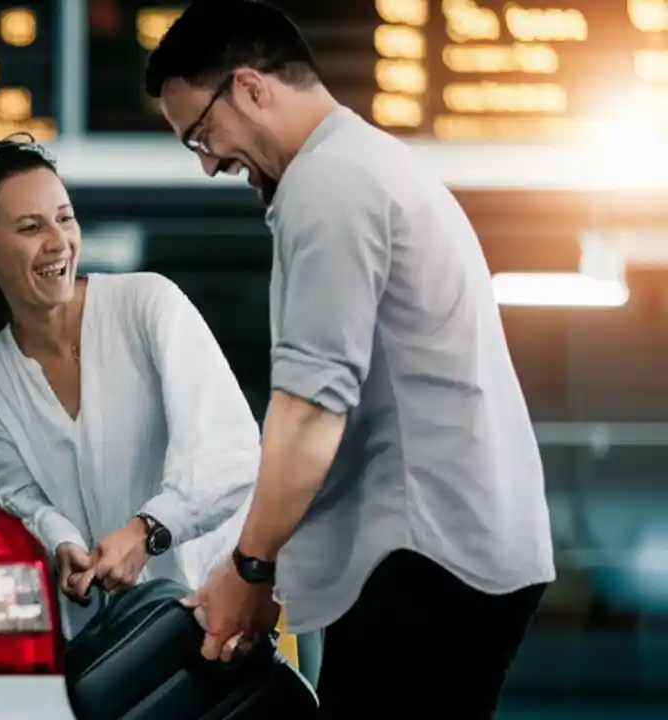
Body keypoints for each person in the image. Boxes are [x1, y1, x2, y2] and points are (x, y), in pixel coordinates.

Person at [144, 1, 555, 716]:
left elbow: (310, 411)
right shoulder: (367, 165)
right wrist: (259, 566)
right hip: (454, 552)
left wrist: (251, 567)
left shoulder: (328, 187)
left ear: (250, 87)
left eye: (202, 135)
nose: (209, 164)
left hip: (426, 561)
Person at [0, 136, 262, 635]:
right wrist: (62, 541)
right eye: (30, 227)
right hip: (123, 641)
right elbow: (25, 497)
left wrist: (147, 531)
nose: (57, 242)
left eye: (65, 218)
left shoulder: (147, 304)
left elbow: (231, 455)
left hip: (227, 611)